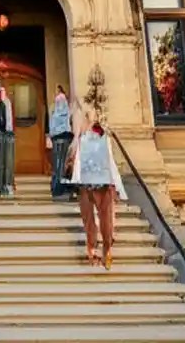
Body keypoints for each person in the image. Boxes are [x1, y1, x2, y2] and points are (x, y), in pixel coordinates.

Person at [65, 108, 126, 269]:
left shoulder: (93, 136)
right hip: (95, 182)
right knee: (100, 218)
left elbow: (108, 159)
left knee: (94, 219)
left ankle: (97, 250)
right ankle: (100, 249)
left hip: (93, 183)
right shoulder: (96, 135)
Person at [46, 84, 75, 200]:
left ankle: (58, 188)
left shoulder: (56, 112)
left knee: (59, 164)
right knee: (60, 165)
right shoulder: (61, 112)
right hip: (61, 139)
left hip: (59, 139)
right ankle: (58, 189)